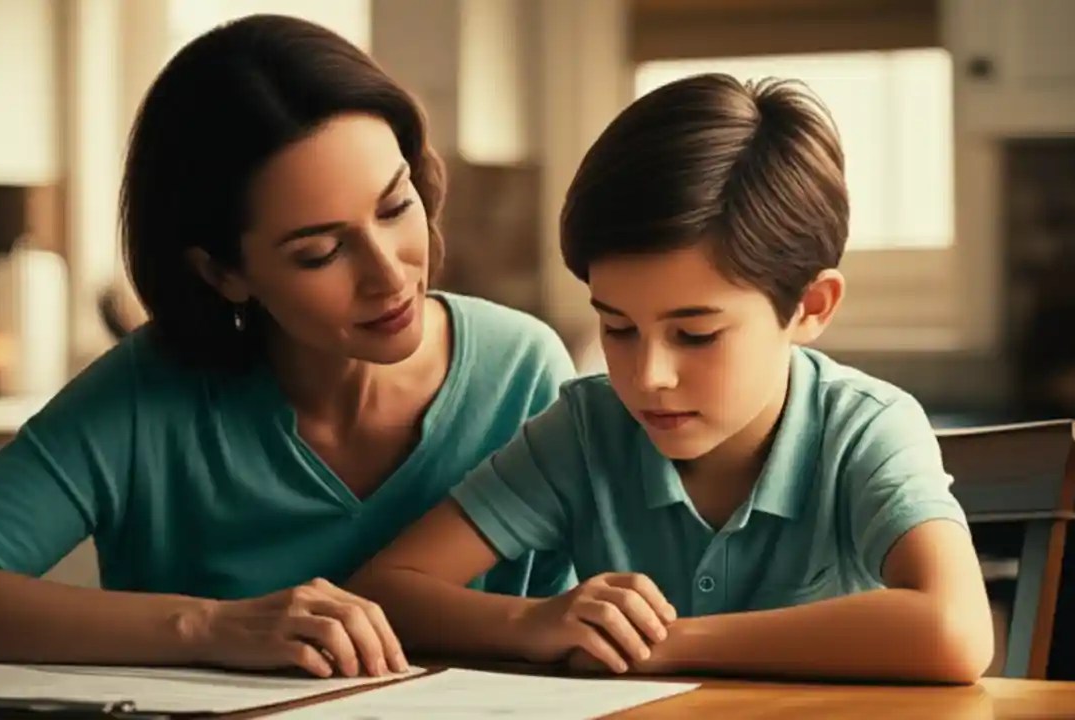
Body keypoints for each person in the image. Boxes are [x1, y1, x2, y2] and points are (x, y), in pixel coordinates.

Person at [0, 15, 576, 678]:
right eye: (320, 251)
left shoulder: (522, 371)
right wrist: (209, 625)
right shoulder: (149, 393)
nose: (390, 275)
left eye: (396, 205)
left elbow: (569, 646)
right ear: (224, 273)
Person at [349, 74, 995, 684]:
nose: (649, 377)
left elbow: (955, 630)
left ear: (811, 306)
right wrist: (534, 621)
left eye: (696, 335)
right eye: (618, 329)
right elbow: (387, 589)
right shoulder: (586, 430)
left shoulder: (866, 430)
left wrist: (674, 643)